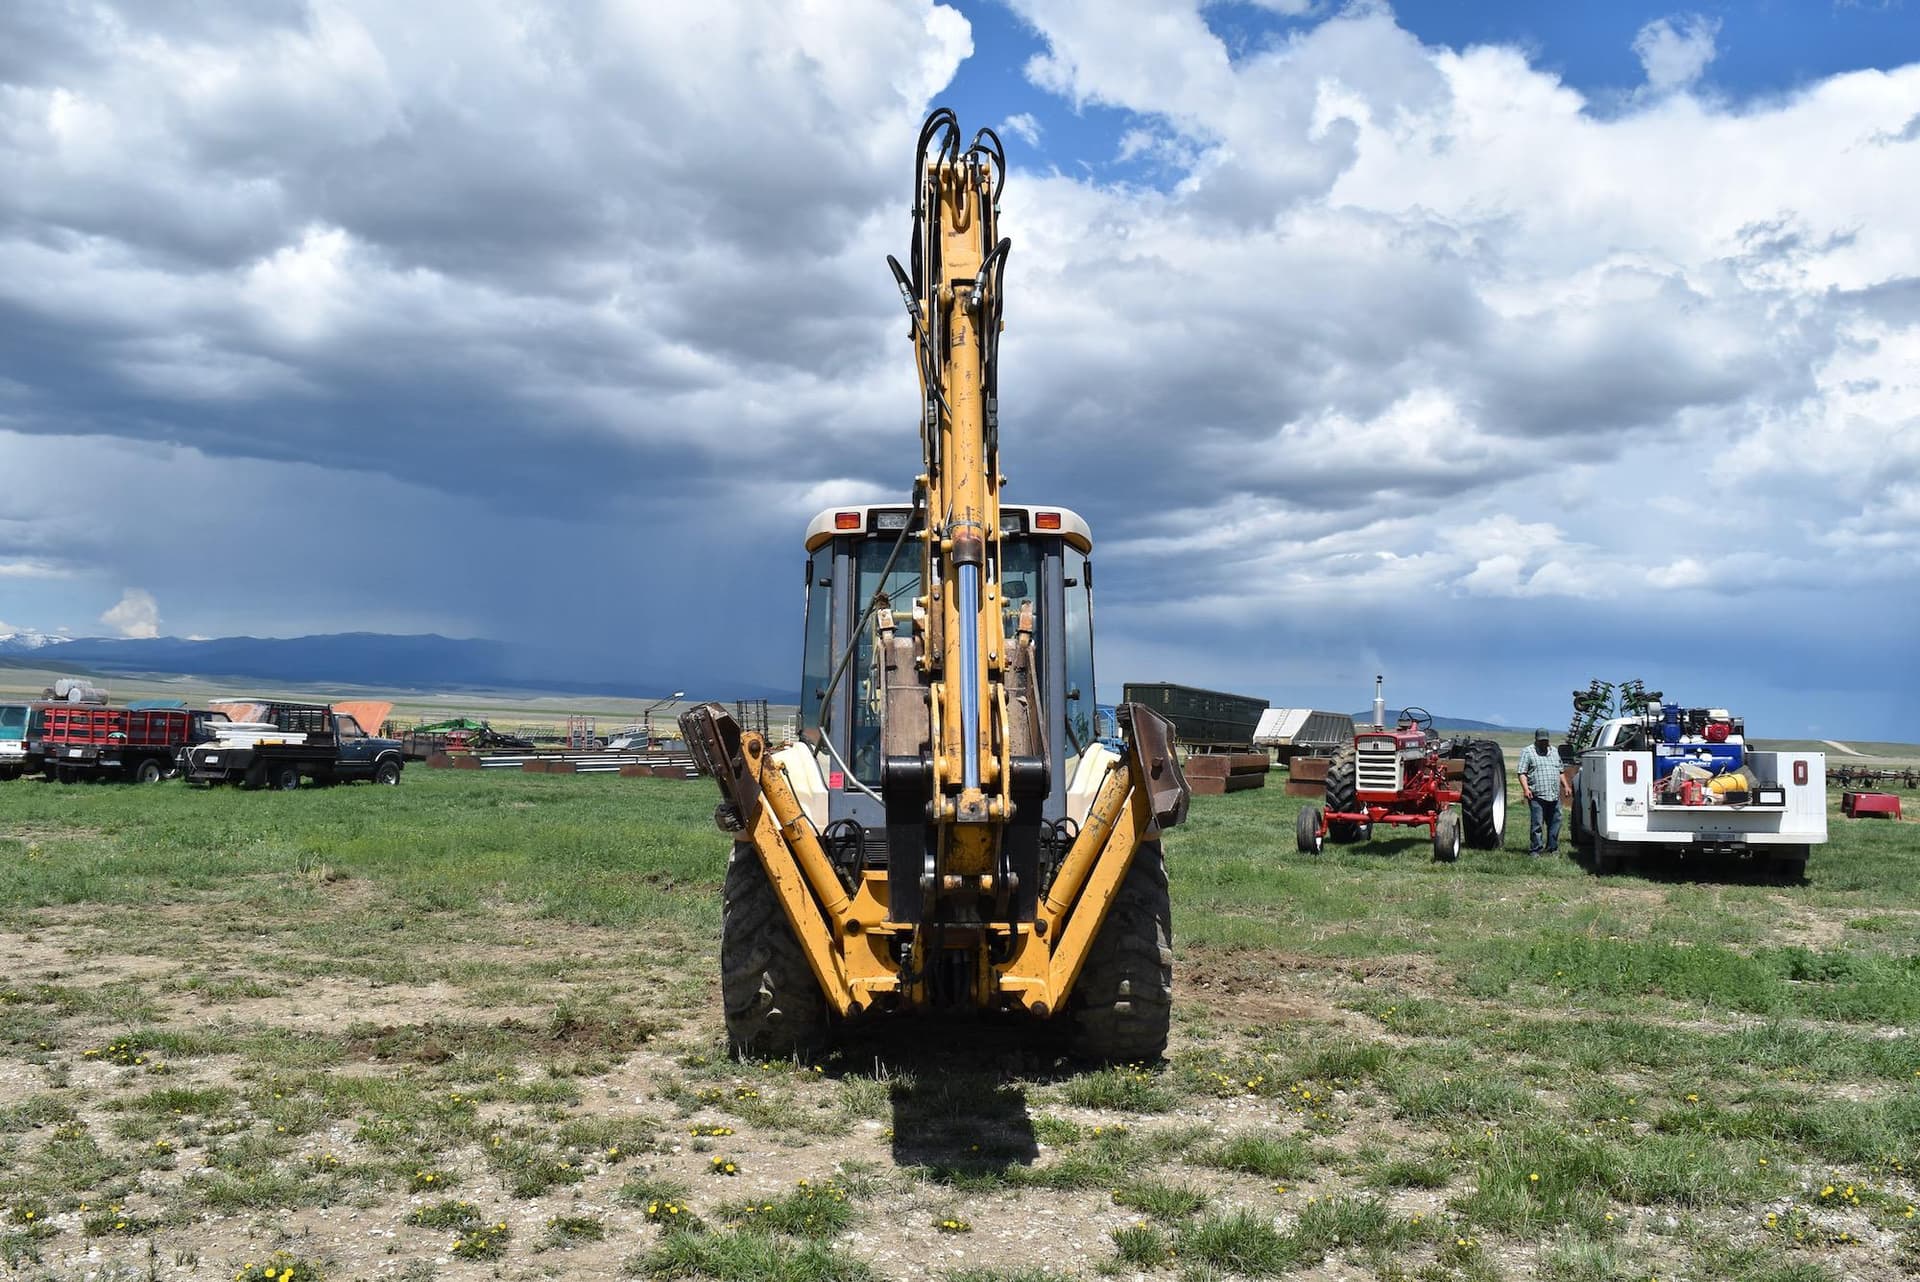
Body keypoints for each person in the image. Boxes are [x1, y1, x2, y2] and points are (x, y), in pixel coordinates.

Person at [1518, 728, 1569, 856]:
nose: (1544, 743)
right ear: (1536, 740)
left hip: (1554, 794)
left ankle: (1552, 847)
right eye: (1541, 741)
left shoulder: (1555, 752)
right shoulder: (1528, 752)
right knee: (1537, 824)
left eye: (1545, 741)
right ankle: (1536, 849)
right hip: (1537, 795)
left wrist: (1566, 786)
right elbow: (1522, 773)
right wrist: (1526, 789)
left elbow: (1560, 771)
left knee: (1556, 822)